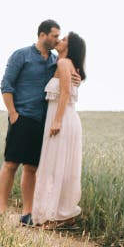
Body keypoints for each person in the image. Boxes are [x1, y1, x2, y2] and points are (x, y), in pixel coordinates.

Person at [0, 19, 79, 225]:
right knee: (10, 164)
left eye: (59, 36)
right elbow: (6, 85)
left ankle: (27, 213)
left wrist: (76, 79)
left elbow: (65, 80)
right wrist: (13, 114)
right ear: (42, 35)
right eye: (54, 36)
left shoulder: (55, 60)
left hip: (43, 122)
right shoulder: (21, 55)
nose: (57, 39)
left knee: (32, 168)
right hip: (22, 116)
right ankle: (1, 209)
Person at [32, 33, 87, 227]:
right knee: (62, 166)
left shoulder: (64, 64)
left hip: (62, 119)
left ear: (69, 47)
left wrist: (56, 121)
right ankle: (62, 214)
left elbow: (64, 93)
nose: (59, 41)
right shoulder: (67, 63)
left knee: (55, 165)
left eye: (63, 39)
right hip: (66, 118)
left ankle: (53, 215)